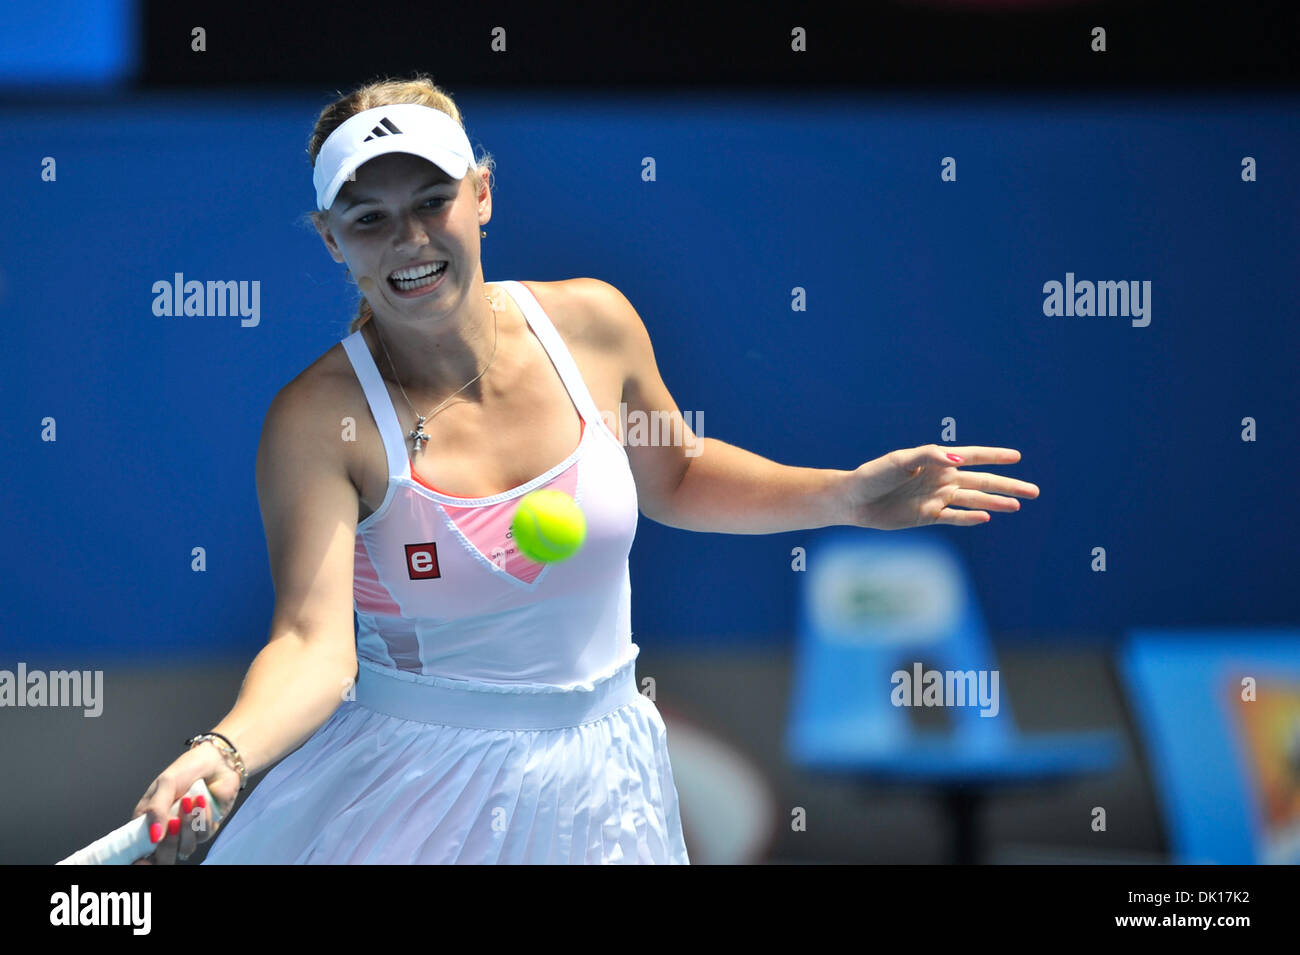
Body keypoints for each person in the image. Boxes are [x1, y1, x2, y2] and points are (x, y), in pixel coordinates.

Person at [131, 75, 1039, 864]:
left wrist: (844, 496)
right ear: (333, 242)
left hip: (608, 778)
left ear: (482, 195)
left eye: (431, 200)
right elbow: (311, 644)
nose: (407, 239)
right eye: (368, 219)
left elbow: (676, 475)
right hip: (410, 793)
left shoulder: (595, 326)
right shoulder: (316, 422)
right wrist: (226, 749)